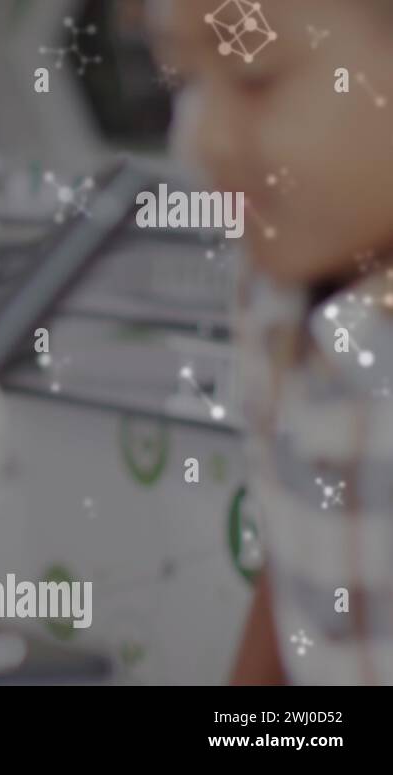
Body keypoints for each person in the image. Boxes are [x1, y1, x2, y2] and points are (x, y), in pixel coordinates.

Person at [152, 0, 393, 683]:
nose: (202, 139)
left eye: (256, 77)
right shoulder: (277, 290)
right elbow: (311, 559)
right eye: (185, 81)